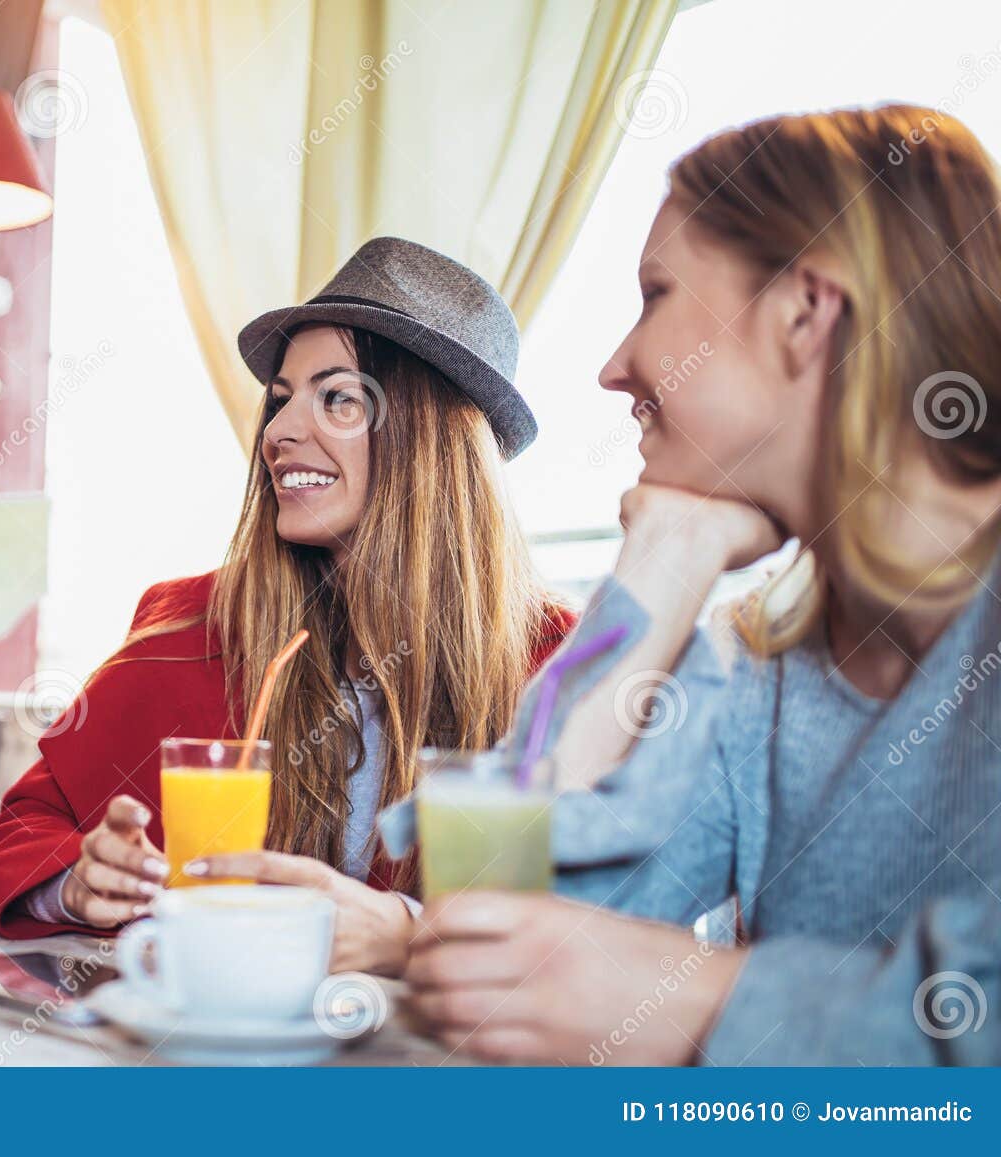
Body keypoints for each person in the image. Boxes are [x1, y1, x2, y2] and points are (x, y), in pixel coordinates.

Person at [406, 105, 1000, 1064]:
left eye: (656, 293)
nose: (614, 366)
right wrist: (663, 563)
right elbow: (504, 952)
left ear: (806, 313)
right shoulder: (753, 660)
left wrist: (706, 1002)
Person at [0, 238, 576, 975]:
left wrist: (414, 936)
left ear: (432, 438)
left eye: (338, 397)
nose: (279, 432)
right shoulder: (192, 626)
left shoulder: (558, 666)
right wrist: (78, 882)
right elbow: (16, 837)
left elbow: (612, 933)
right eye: (282, 398)